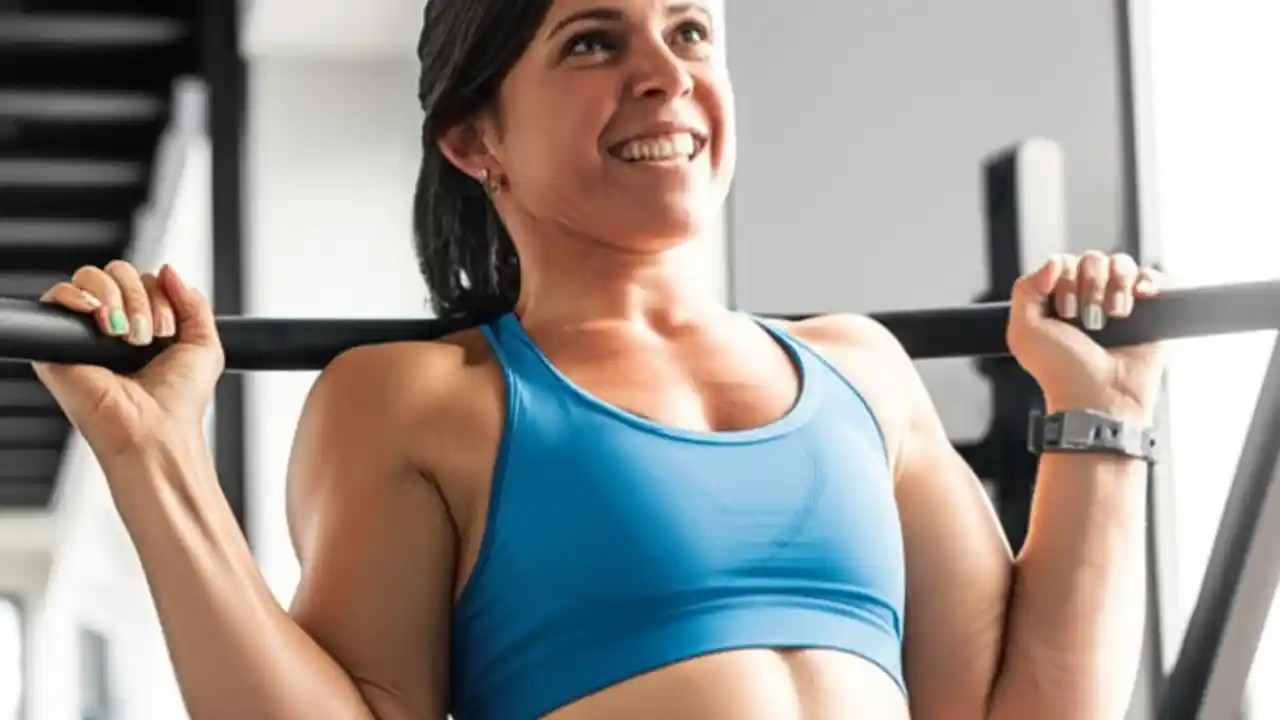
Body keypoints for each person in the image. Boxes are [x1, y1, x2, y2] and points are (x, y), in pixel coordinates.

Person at [32, 0, 1168, 717]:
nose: (665, 73)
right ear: (475, 138)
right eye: (591, 40)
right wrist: (153, 454)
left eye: (689, 31)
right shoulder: (420, 398)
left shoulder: (861, 373)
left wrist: (1099, 420)